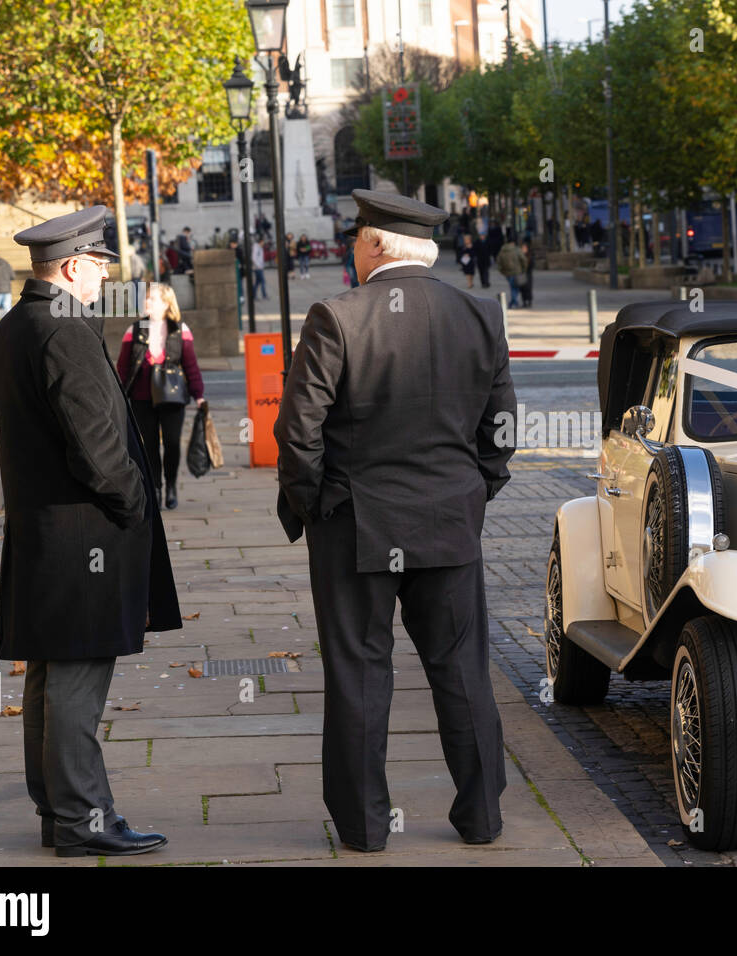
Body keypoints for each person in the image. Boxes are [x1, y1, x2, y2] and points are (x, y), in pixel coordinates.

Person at [274, 188, 516, 853]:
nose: (352, 248)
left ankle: (365, 827)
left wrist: (315, 505)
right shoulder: (479, 313)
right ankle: (481, 818)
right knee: (462, 670)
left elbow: (298, 433)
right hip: (448, 524)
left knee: (359, 672)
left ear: (374, 243)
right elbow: (501, 429)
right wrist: (475, 492)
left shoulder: (337, 315)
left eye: (355, 237)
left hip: (357, 525)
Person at [0, 205, 179, 857]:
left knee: (51, 671)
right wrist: (134, 501)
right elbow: (96, 445)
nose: (103, 279)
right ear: (71, 266)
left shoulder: (16, 325)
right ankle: (83, 818)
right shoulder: (66, 329)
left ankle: (58, 809)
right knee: (75, 676)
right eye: (98, 267)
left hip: (45, 533)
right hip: (83, 538)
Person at [116, 283, 205, 511]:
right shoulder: (133, 330)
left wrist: (199, 396)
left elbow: (191, 366)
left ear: (166, 303)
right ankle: (155, 487)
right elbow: (123, 368)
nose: (147, 303)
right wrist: (116, 395)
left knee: (173, 444)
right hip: (141, 398)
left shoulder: (180, 329)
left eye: (152, 299)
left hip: (172, 397)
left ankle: (172, 485)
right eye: (146, 299)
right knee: (150, 446)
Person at [496, 236, 527, 308]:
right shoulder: (517, 250)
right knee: (515, 288)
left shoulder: (502, 250)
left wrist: (501, 271)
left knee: (512, 287)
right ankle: (514, 302)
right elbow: (523, 260)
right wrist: (523, 269)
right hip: (517, 272)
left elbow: (498, 262)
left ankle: (513, 302)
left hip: (507, 273)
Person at [518, 239, 534, 307]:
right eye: (522, 248)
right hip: (521, 274)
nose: (523, 249)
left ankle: (529, 301)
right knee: (522, 288)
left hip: (528, 274)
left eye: (524, 248)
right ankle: (524, 302)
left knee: (529, 288)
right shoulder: (520, 255)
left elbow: (532, 265)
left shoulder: (530, 256)